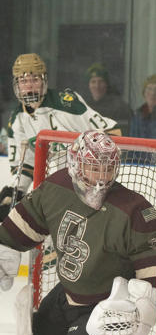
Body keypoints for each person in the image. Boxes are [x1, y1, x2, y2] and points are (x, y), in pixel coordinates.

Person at [0, 131, 156, 335]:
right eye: (95, 168)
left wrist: (143, 312)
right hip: (67, 295)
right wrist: (5, 245)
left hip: (106, 306)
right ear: (76, 164)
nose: (102, 178)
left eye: (108, 168)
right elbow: (21, 226)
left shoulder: (134, 210)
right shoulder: (57, 187)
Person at [1, 53, 118, 221]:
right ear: (16, 85)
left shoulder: (66, 104)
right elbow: (26, 166)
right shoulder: (17, 120)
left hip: (91, 185)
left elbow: (113, 132)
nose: (29, 87)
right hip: (56, 191)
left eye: (34, 79)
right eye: (23, 81)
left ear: (44, 81)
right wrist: (15, 192)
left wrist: (96, 172)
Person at [83, 62, 133, 136]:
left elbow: (122, 132)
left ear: (106, 84)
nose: (97, 86)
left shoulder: (119, 106)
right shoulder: (84, 106)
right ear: (88, 85)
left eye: (101, 81)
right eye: (93, 82)